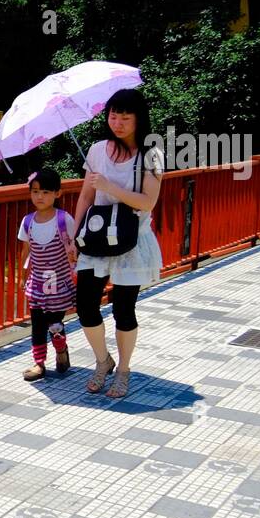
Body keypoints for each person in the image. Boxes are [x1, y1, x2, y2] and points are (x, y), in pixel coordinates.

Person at [71, 87, 165, 400]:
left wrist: (110, 186)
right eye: (113, 115)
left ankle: (123, 370)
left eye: (125, 117)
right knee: (85, 305)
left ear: (139, 119)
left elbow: (147, 202)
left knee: (124, 309)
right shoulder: (97, 150)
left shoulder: (151, 154)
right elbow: (86, 195)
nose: (118, 122)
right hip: (97, 239)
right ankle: (103, 361)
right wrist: (74, 236)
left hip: (131, 241)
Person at [17, 168, 77, 381]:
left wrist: (75, 269)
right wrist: (23, 278)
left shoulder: (64, 219)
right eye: (35, 192)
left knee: (55, 324)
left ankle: (61, 349)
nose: (39, 197)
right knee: (37, 324)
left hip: (58, 283)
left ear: (57, 194)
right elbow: (26, 252)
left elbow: (73, 249)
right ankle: (39, 363)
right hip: (37, 283)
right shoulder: (28, 221)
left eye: (45, 192)